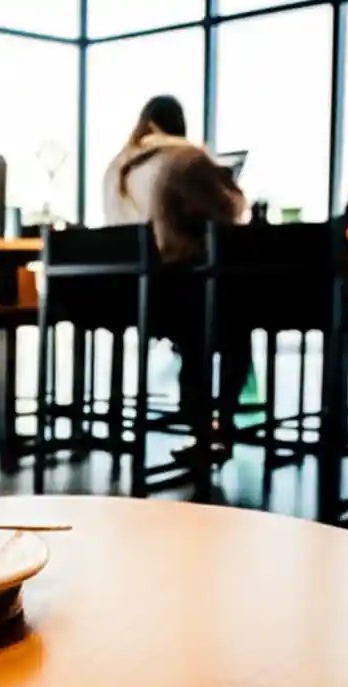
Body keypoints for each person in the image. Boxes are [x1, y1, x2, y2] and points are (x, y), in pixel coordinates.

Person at [102, 95, 251, 463]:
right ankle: (218, 425)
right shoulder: (185, 158)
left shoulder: (117, 166)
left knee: (201, 326)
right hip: (175, 295)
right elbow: (233, 209)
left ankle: (202, 423)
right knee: (236, 324)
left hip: (126, 296)